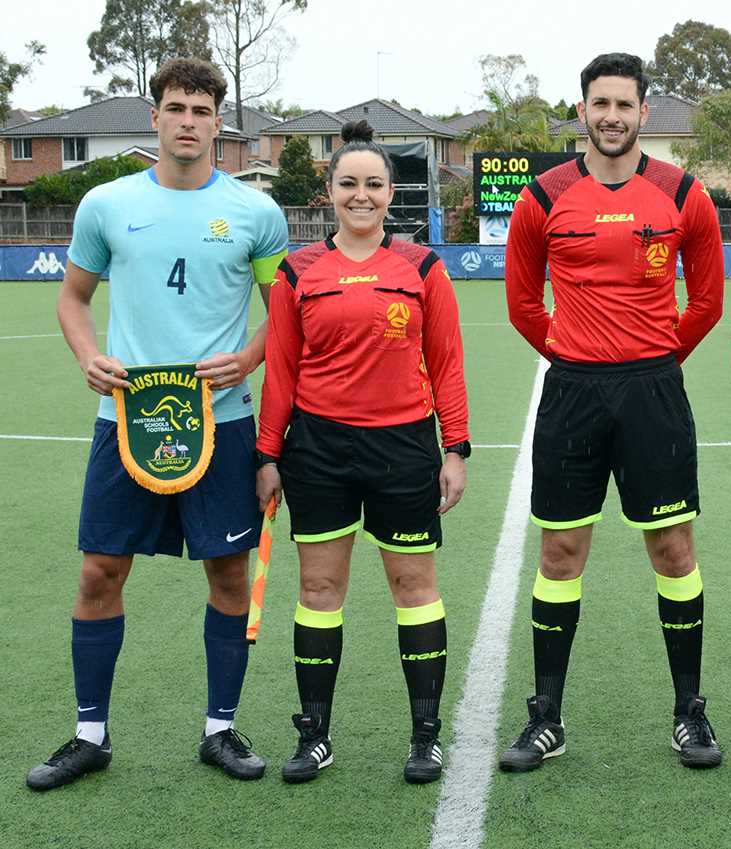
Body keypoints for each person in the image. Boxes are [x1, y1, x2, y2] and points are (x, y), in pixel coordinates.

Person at [28, 58, 288, 791]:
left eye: (201, 111)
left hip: (223, 422)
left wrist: (249, 358)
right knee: (99, 571)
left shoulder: (254, 213)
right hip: (125, 421)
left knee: (228, 572)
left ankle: (219, 729)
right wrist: (88, 355)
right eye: (176, 108)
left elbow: (286, 316)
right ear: (155, 117)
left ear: (219, 123)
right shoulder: (106, 204)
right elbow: (74, 298)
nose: (188, 122)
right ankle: (90, 734)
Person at [499, 52, 725, 771]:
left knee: (674, 549)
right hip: (572, 392)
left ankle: (689, 712)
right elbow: (523, 304)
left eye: (625, 104)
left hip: (654, 391)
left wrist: (654, 357)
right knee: (560, 552)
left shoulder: (684, 194)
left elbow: (708, 301)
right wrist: (573, 354)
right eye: (600, 103)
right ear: (582, 111)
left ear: (644, 113)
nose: (612, 116)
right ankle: (547, 717)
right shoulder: (543, 198)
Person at [255, 120, 470, 784]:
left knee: (414, 586)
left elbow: (448, 362)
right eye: (348, 183)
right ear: (329, 191)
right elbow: (282, 368)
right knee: (319, 588)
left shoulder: (423, 268)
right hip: (318, 450)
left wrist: (455, 448)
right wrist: (268, 454)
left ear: (390, 193)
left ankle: (425, 735)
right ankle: (314, 735)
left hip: (403, 447)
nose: (361, 195)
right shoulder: (297, 271)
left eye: (374, 184)